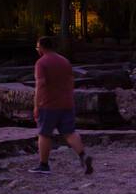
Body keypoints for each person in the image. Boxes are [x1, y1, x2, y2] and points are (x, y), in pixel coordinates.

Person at [30, 35, 92, 175]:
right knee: (69, 132)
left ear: (42, 48)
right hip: (67, 103)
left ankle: (44, 165)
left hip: (48, 104)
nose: (37, 50)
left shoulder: (41, 63)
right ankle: (83, 155)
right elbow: (71, 82)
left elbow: (40, 85)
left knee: (44, 134)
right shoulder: (65, 61)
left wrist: (36, 105)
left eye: (37, 47)